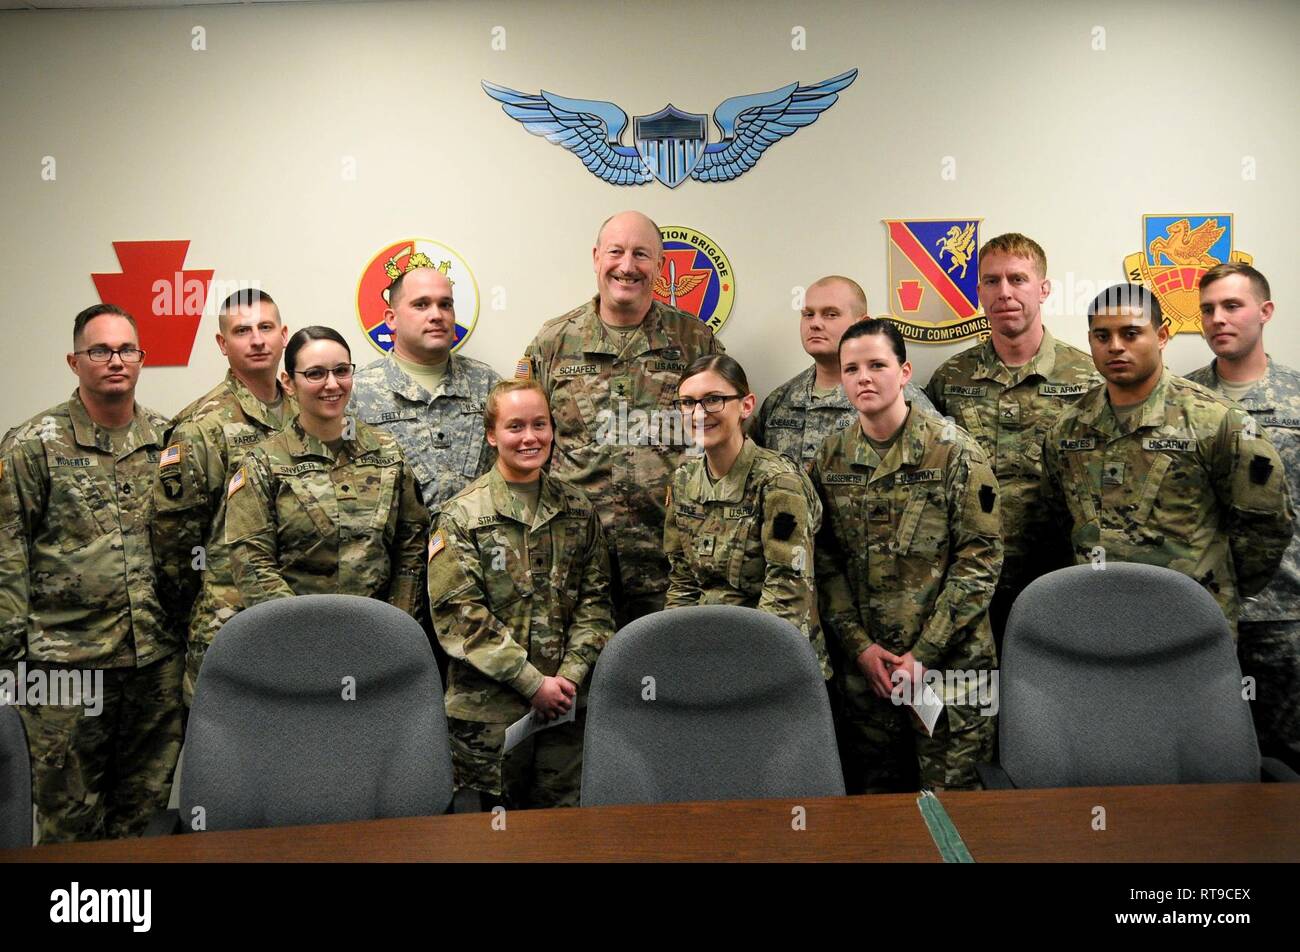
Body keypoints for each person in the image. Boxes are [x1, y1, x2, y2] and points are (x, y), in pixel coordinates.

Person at [0, 304, 181, 842]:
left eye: (127, 349)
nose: (115, 361)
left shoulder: (168, 440)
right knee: (69, 823)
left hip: (153, 658)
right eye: (99, 350)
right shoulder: (33, 444)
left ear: (142, 358)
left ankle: (134, 913)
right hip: (63, 666)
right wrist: (8, 658)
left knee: (144, 819)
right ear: (74, 360)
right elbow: (7, 552)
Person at [812, 319, 1001, 792]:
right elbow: (824, 563)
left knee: (958, 814)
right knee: (878, 816)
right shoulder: (830, 458)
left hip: (951, 671)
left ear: (904, 372)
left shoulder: (954, 453)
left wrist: (923, 654)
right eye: (851, 368)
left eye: (877, 365)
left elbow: (979, 562)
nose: (864, 378)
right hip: (870, 676)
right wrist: (861, 647)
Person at [1042, 284, 1293, 638]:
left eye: (1131, 333)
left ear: (1161, 336)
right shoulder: (1066, 429)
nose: (1115, 346)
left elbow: (1265, 527)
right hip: (1097, 626)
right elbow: (1056, 520)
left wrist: (1216, 588)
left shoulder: (1218, 421)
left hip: (1191, 629)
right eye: (1102, 335)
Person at [517, 210, 723, 627]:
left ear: (660, 266)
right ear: (596, 257)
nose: (627, 266)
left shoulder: (693, 340)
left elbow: (722, 440)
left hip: (669, 560)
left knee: (671, 674)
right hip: (574, 558)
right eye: (616, 252)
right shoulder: (554, 341)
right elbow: (522, 444)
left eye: (641, 255)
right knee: (582, 681)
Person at [427, 380, 614, 808]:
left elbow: (596, 602)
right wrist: (532, 684)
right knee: (486, 845)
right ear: (492, 434)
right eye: (515, 426)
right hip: (487, 718)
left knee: (564, 839)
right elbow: (460, 616)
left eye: (540, 424)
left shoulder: (578, 510)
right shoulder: (460, 515)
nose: (530, 437)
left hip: (565, 714)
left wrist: (567, 677)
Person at [925, 234, 1099, 650]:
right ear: (980, 292)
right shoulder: (952, 378)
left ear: (1043, 289)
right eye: (991, 281)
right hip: (969, 578)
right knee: (983, 703)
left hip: (1059, 576)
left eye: (1017, 279)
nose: (1004, 292)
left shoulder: (1088, 377)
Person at [151, 288, 296, 706]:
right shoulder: (201, 426)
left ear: (283, 334)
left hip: (296, 610)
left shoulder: (305, 411)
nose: (256, 340)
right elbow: (174, 541)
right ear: (222, 343)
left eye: (266, 328)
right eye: (242, 330)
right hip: (227, 622)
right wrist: (203, 601)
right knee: (227, 755)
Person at [224, 326, 427, 616]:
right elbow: (252, 563)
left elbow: (412, 546)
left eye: (341, 371)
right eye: (315, 374)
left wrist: (395, 623)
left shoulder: (387, 452)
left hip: (377, 634)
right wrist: (307, 632)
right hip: (296, 637)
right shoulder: (263, 463)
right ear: (289, 383)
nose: (332, 384)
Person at [1187, 263, 1299, 769]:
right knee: (1205, 763)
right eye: (1208, 308)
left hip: (1285, 614)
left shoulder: (1296, 398)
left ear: (1265, 312)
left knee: (1288, 761)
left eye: (1232, 306)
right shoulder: (1180, 400)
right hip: (1201, 611)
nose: (1218, 319)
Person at [664, 355, 831, 678]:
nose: (699, 414)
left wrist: (737, 666)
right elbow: (682, 581)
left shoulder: (779, 482)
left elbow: (788, 590)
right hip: (705, 654)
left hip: (772, 662)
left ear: (745, 405)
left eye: (713, 400)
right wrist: (681, 649)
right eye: (688, 402)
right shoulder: (684, 481)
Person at [350, 263, 501, 516]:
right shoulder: (357, 393)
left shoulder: (487, 385)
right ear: (391, 319)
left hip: (476, 549)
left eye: (445, 304)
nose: (436, 315)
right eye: (421, 304)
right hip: (394, 550)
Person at [753, 275, 935, 468]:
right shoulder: (779, 400)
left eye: (830, 314)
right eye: (808, 314)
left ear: (861, 323)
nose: (814, 323)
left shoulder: (899, 395)